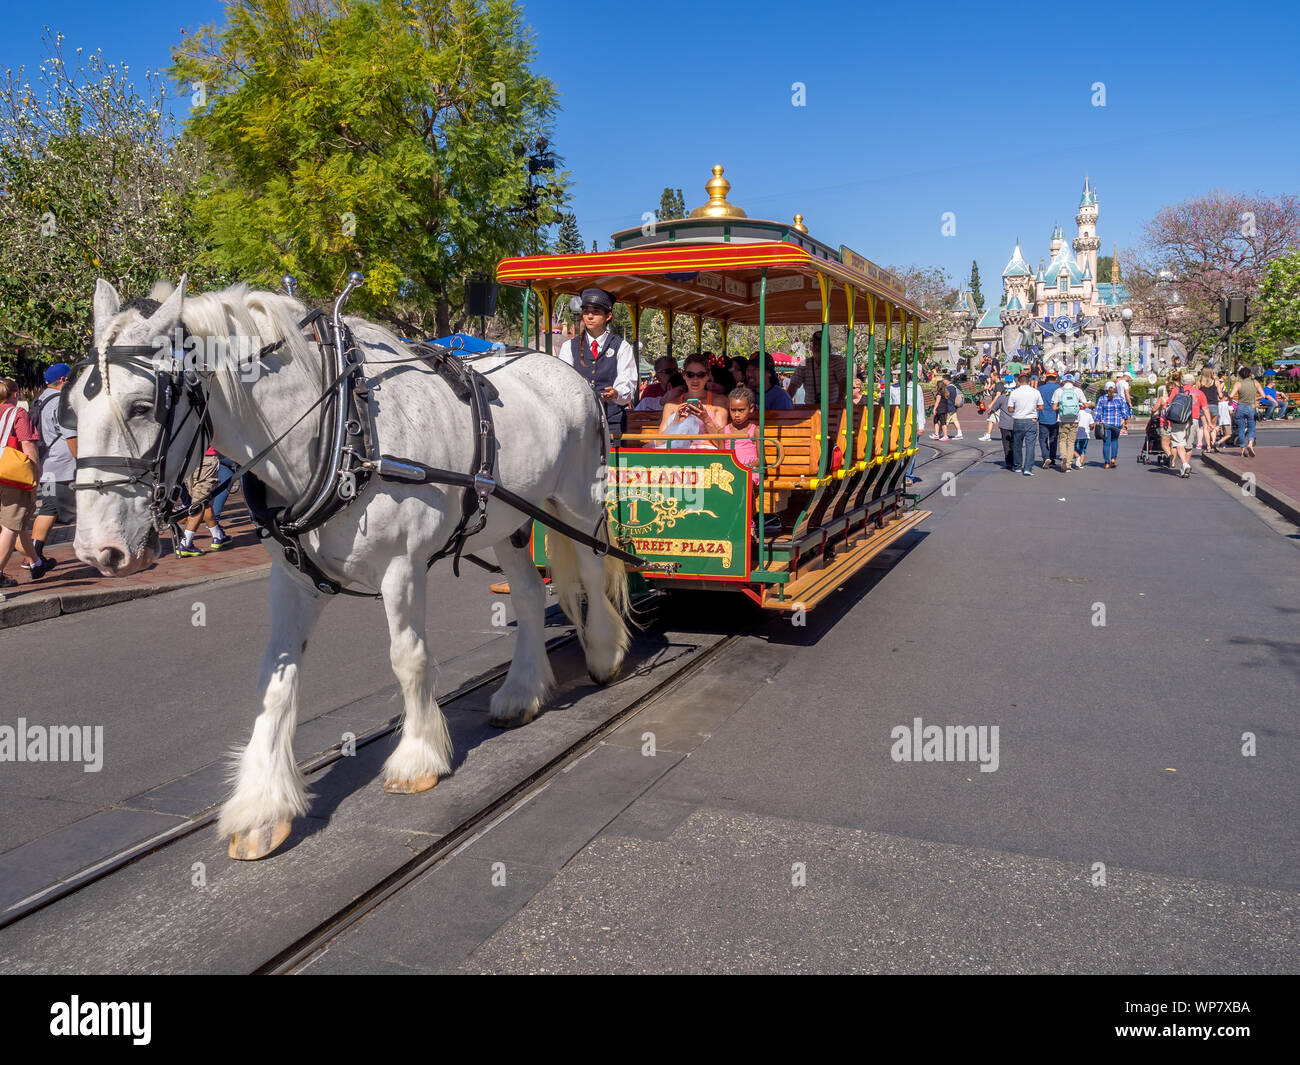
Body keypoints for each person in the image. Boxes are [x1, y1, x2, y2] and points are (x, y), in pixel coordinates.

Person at [556, 287, 639, 437]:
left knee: (612, 461)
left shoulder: (622, 347)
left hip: (612, 423)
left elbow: (628, 381)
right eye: (586, 311)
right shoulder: (569, 347)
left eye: (596, 312)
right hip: (579, 424)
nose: (589, 316)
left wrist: (616, 394)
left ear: (608, 316)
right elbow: (563, 381)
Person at [25, 363, 79, 577]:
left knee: (48, 507)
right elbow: (71, 435)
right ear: (65, 380)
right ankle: (34, 555)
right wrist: (82, 460)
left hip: (47, 465)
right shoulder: (61, 402)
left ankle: (35, 554)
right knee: (53, 508)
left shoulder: (40, 399)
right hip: (64, 467)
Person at [0, 377, 44, 591]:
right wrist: (36, 473)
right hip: (11, 475)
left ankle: (36, 562)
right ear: (15, 394)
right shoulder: (17, 414)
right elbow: (27, 444)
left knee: (17, 523)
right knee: (11, 524)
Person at [658, 353, 729, 449]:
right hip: (679, 456)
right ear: (684, 375)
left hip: (709, 457)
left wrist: (706, 419)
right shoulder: (671, 405)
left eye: (700, 375)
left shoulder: (720, 403)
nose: (695, 379)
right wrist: (675, 421)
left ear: (708, 375)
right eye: (690, 375)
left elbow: (722, 445)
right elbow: (658, 443)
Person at [175, 447, 233, 556]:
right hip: (206, 459)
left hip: (190, 459)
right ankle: (185, 543)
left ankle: (218, 536)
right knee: (200, 502)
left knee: (206, 502)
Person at [1158, 373, 1207, 478]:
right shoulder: (1200, 393)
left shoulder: (1176, 390)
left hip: (1179, 420)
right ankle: (1186, 467)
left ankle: (1185, 465)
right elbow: (1205, 408)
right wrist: (1210, 423)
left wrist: (1165, 419)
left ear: (1183, 382)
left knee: (1179, 443)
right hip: (1194, 419)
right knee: (1188, 446)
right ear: (1193, 382)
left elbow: (1169, 405)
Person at [786, 330, 847, 408]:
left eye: (821, 344)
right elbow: (793, 385)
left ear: (828, 346)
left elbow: (844, 381)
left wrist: (839, 401)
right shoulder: (804, 364)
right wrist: (785, 403)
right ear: (811, 347)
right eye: (815, 344)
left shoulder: (837, 361)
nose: (817, 347)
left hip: (833, 409)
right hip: (810, 410)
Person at [1052, 373, 1090, 473]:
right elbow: (1086, 405)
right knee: (1071, 442)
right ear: (1073, 381)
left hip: (1063, 419)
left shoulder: (1059, 391)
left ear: (1063, 381)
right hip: (1074, 419)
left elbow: (1054, 407)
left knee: (1062, 440)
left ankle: (1063, 457)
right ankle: (1068, 464)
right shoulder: (1078, 391)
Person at [1007, 373, 1042, 475]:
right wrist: (1032, 409)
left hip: (1018, 420)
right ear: (1029, 381)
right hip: (1031, 420)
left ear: (1018, 382)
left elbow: (1010, 409)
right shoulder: (1035, 392)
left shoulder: (1014, 392)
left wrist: (1017, 409)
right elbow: (1041, 406)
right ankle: (1028, 468)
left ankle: (1017, 466)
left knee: (1017, 444)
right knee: (1030, 445)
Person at [1093, 381, 1131, 468]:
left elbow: (1097, 412)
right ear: (1115, 389)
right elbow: (1125, 412)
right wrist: (1125, 422)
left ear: (1105, 389)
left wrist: (1096, 421)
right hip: (1117, 424)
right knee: (1115, 441)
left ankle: (1107, 462)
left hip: (1106, 424)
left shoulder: (1102, 399)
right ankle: (1113, 458)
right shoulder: (1120, 398)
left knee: (1106, 443)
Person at [1230, 366, 1261, 458]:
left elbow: (1231, 395)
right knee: (1252, 427)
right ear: (1249, 374)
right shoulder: (1255, 383)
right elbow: (1263, 395)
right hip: (1251, 406)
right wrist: (1254, 399)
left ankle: (1242, 450)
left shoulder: (1238, 384)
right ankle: (1250, 444)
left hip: (1240, 407)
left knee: (1241, 429)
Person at [1037, 371, 1062, 469]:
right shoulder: (1059, 389)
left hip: (1043, 416)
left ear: (1046, 378)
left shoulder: (1040, 389)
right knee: (1053, 439)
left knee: (1043, 439)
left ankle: (1046, 457)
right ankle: (1052, 459)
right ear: (1056, 378)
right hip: (1055, 417)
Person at [929, 375, 951, 441]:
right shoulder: (946, 392)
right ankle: (937, 435)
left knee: (941, 422)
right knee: (937, 421)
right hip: (944, 408)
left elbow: (937, 402)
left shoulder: (939, 393)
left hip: (940, 409)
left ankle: (945, 436)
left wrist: (934, 409)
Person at [1074, 402, 1094, 469]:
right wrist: (1090, 428)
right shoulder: (1088, 414)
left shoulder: (1076, 414)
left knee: (1073, 449)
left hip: (1077, 435)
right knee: (1083, 450)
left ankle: (1077, 457)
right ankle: (1080, 464)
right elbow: (1092, 425)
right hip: (1086, 435)